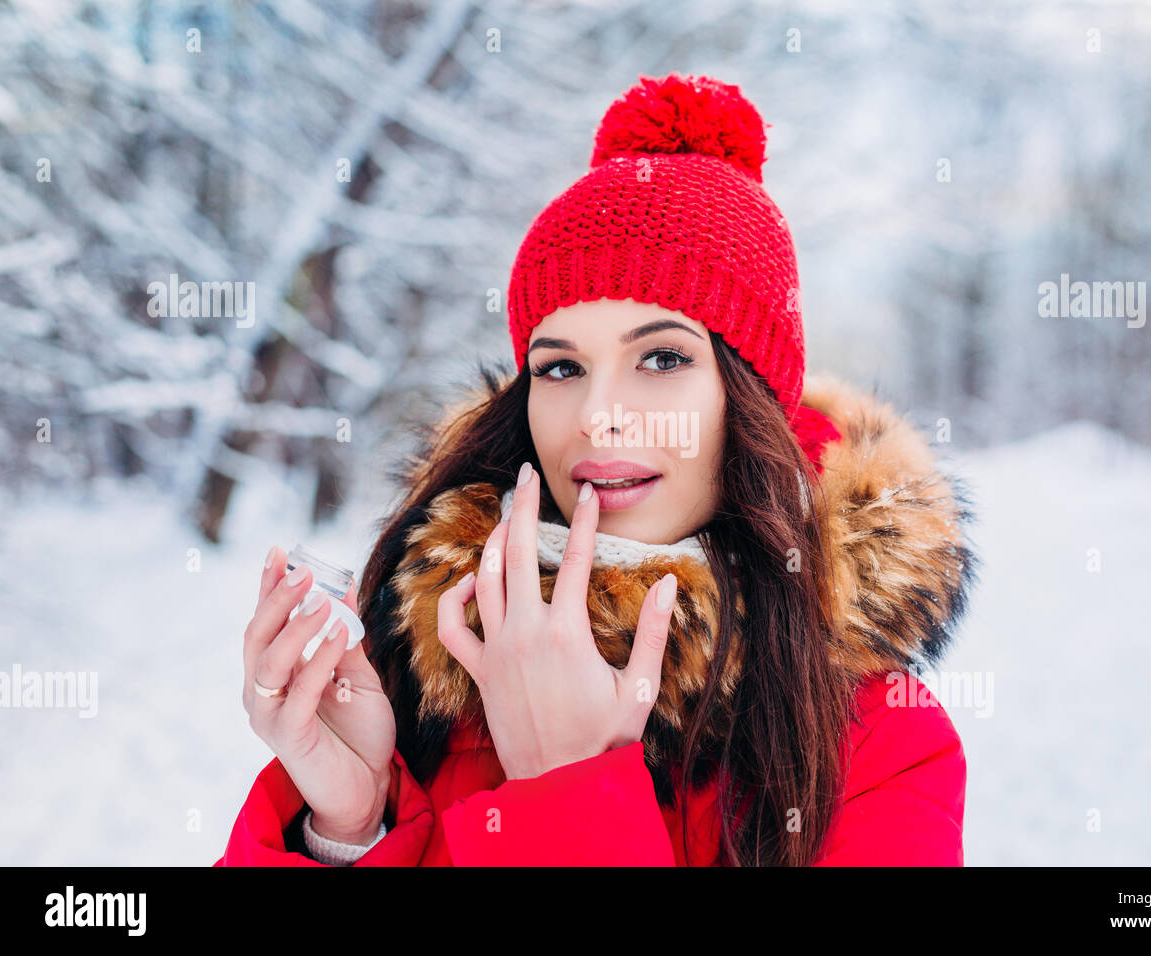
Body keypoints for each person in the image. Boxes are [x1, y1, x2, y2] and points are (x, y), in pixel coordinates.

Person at [215, 73, 979, 867]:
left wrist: (568, 792)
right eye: (560, 368)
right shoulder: (441, 672)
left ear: (748, 397)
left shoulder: (886, 743)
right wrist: (348, 828)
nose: (598, 415)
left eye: (661, 357)